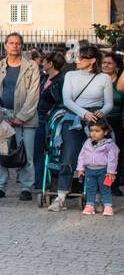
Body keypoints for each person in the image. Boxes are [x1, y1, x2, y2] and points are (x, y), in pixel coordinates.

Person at [48, 45, 115, 212]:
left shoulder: (103, 78)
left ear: (92, 60)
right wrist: (85, 114)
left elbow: (109, 104)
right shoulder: (70, 75)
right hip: (74, 117)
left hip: (96, 119)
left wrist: (101, 112)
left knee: (101, 158)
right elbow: (67, 100)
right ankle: (61, 196)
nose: (77, 60)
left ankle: (99, 196)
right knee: (69, 154)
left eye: (81, 57)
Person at [0, 32, 41, 201]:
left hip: (26, 118)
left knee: (27, 153)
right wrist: (2, 114)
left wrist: (22, 116)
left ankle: (26, 187)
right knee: (0, 152)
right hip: (4, 117)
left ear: (21, 45)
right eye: (11, 43)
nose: (14, 46)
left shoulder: (32, 67)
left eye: (17, 43)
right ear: (5, 45)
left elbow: (34, 94)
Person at [33, 51, 66, 189]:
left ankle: (45, 182)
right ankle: (39, 180)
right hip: (38, 117)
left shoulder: (60, 80)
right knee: (37, 150)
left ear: (51, 64)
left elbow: (60, 101)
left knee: (47, 150)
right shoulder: (43, 78)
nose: (42, 63)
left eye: (45, 61)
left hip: (49, 118)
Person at [75, 121, 117, 216]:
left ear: (105, 132)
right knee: (90, 188)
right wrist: (80, 168)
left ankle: (108, 206)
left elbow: (113, 159)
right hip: (90, 170)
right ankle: (90, 205)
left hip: (104, 170)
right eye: (91, 130)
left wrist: (111, 172)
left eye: (97, 131)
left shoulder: (109, 144)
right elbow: (82, 156)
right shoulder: (87, 143)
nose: (93, 133)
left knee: (105, 188)